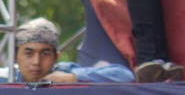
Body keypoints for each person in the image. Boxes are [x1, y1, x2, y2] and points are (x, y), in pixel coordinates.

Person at [0, 17, 134, 84]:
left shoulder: (64, 73)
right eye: (29, 53)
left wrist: (73, 78)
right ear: (15, 57)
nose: (36, 62)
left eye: (45, 54)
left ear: (56, 57)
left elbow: (124, 76)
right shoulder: (5, 79)